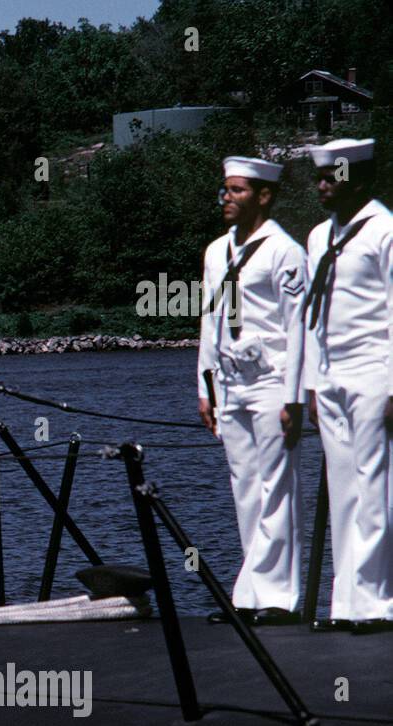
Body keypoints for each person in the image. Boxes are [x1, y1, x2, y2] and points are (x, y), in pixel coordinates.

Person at [195, 156, 308, 627]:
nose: (227, 197)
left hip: (271, 380)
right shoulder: (217, 251)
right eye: (225, 189)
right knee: (245, 487)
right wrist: (205, 385)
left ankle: (280, 596)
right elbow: (210, 321)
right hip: (231, 380)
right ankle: (250, 592)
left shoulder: (285, 252)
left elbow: (300, 328)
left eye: (238, 190)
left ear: (263, 196)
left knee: (276, 487)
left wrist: (295, 395)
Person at [302, 138, 393, 635]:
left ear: (358, 180)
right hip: (332, 374)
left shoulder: (385, 232)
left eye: (330, 178)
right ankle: (347, 601)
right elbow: (313, 318)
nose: (321, 187)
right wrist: (313, 382)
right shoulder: (320, 237)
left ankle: (377, 601)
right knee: (343, 488)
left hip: (374, 371)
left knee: (375, 487)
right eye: (318, 178)